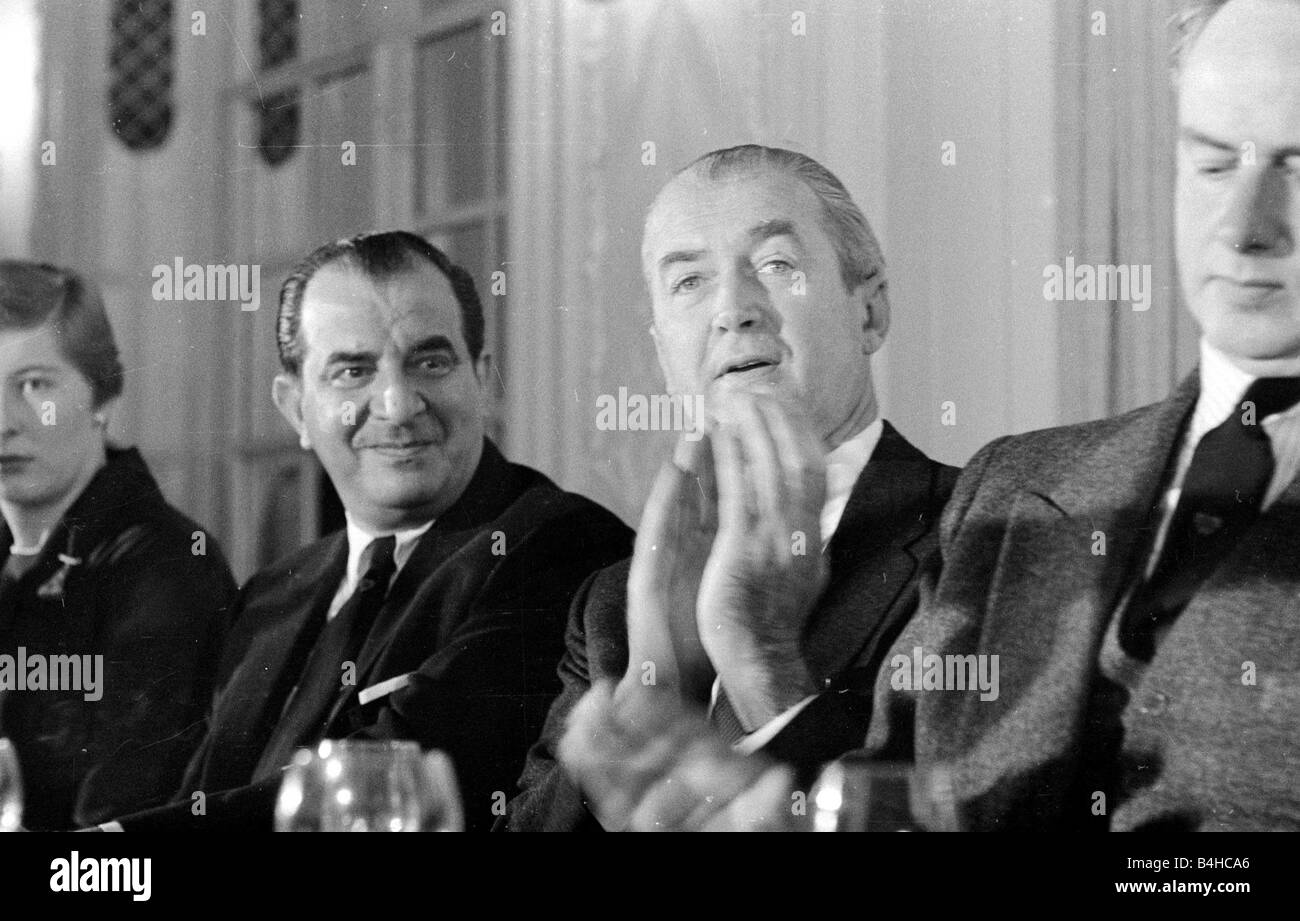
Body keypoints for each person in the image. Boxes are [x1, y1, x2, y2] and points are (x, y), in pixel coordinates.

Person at [561, 0, 1300, 832]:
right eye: (1211, 164)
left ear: (870, 310)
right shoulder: (1016, 487)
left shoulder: (943, 511)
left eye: (1299, 164)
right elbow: (891, 805)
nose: (1243, 228)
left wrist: (761, 660)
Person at [103, 231, 632, 832]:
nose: (399, 404)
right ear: (296, 409)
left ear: (481, 379)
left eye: (430, 362)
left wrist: (104, 855)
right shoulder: (273, 592)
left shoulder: (561, 546)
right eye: (353, 371)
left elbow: (392, 787)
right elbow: (199, 790)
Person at [505, 145, 958, 831]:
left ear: (869, 311)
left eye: (777, 265)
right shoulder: (608, 609)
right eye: (689, 282)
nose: (733, 310)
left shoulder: (981, 535)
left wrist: (763, 661)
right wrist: (657, 688)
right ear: (663, 354)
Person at [0, 260, 236, 830]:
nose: (2, 422)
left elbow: (120, 837)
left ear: (103, 398)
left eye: (34, 386)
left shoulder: (165, 568)